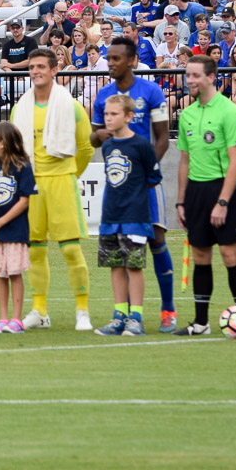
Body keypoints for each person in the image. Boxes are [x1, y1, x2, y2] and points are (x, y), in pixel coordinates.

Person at [90, 36, 177, 332]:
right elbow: (93, 137)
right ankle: (121, 315)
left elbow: (163, 137)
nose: (111, 64)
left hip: (146, 182)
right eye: (109, 59)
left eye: (116, 59)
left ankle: (168, 309)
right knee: (117, 251)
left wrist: (146, 169)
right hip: (119, 184)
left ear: (132, 60)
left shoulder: (151, 91)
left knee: (155, 239)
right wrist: (98, 135)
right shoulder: (103, 95)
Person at [11, 48, 95, 331]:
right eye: (32, 67)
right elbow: (15, 151)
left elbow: (85, 147)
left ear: (54, 70)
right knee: (34, 250)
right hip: (31, 185)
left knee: (71, 249)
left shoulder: (71, 105)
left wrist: (70, 174)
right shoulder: (20, 106)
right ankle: (39, 311)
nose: (35, 72)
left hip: (61, 180)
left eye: (40, 67)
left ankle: (82, 310)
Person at [174, 55, 236, 336]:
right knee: (200, 257)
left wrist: (222, 202)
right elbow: (184, 161)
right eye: (187, 75)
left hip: (223, 190)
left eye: (195, 75)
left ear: (210, 77)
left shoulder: (229, 111)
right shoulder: (187, 114)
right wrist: (181, 201)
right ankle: (200, 323)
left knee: (230, 256)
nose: (190, 80)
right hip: (195, 191)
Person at [91, 95, 162, 337]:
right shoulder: (108, 145)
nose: (108, 119)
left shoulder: (141, 145)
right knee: (115, 266)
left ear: (129, 116)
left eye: (114, 114)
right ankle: (119, 315)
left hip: (135, 216)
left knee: (133, 266)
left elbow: (153, 178)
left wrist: (133, 198)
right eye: (106, 114)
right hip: (111, 216)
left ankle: (136, 317)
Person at [0, 122, 35, 334]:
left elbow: (24, 200)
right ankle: (2, 318)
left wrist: (0, 223)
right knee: (0, 273)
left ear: (2, 143)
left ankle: (16, 319)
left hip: (15, 230)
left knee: (14, 272)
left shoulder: (22, 166)